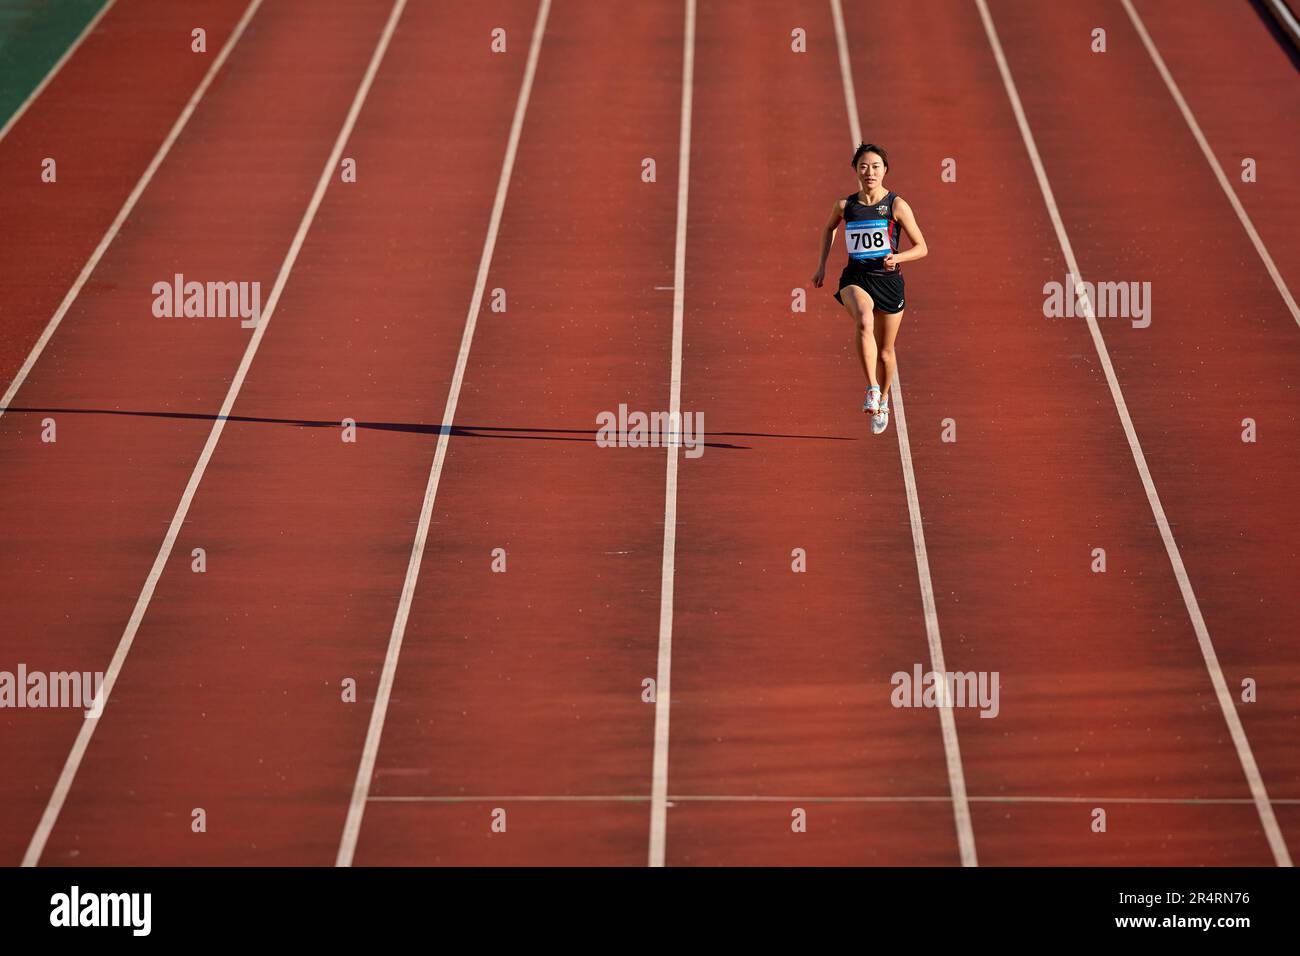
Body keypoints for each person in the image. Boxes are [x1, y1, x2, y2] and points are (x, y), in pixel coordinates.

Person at [811, 143, 928, 434]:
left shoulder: (896, 205)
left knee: (886, 352)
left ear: (885, 170)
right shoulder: (845, 206)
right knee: (864, 320)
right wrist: (822, 265)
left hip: (888, 283)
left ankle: (885, 398)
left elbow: (923, 247)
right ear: (856, 170)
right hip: (856, 279)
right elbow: (828, 228)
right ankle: (872, 388)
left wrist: (897, 257)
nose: (870, 172)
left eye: (875, 166)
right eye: (864, 166)